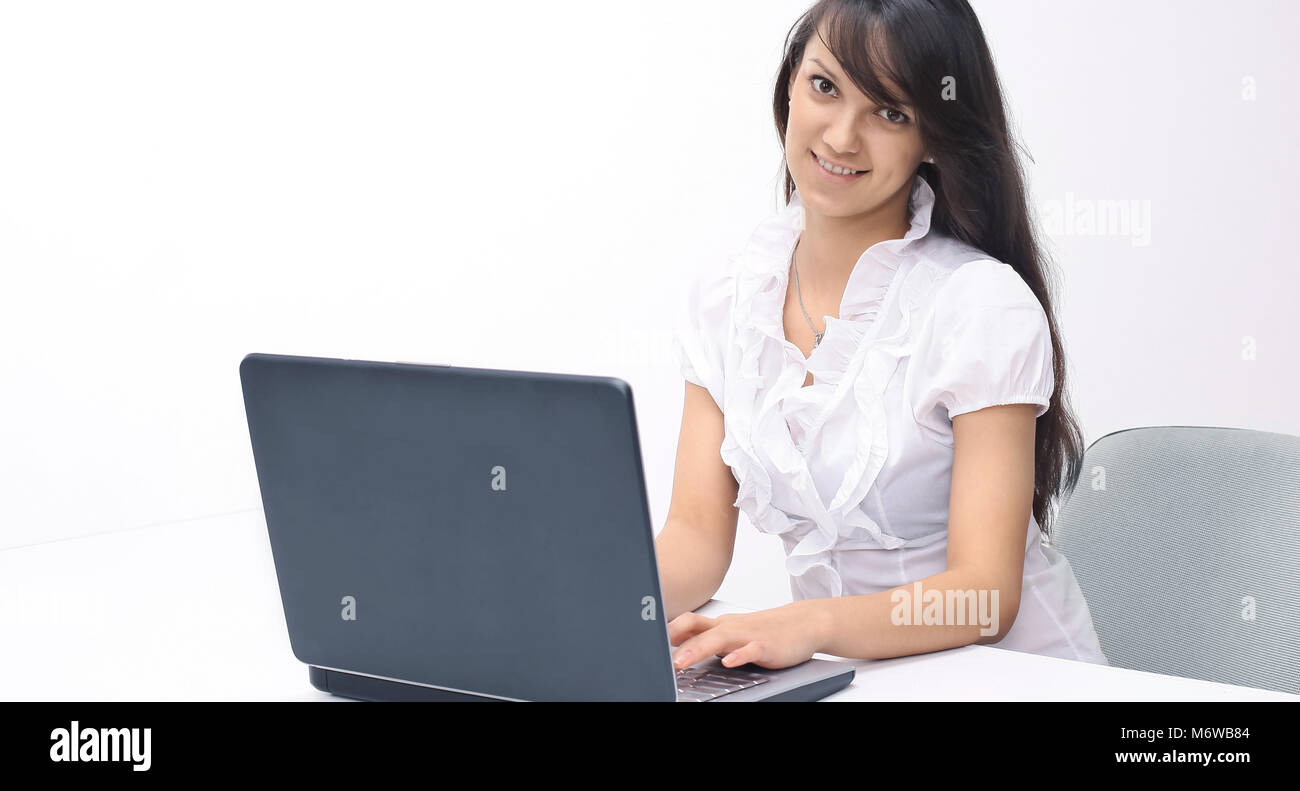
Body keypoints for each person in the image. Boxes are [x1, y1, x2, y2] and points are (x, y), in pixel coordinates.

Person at [657, 0, 1109, 669]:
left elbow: (983, 595)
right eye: (825, 86)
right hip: (856, 679)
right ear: (790, 84)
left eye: (890, 112)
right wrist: (578, 608)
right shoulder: (728, 298)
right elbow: (695, 535)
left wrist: (807, 623)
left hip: (1018, 676)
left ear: (933, 136)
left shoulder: (979, 307)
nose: (842, 136)